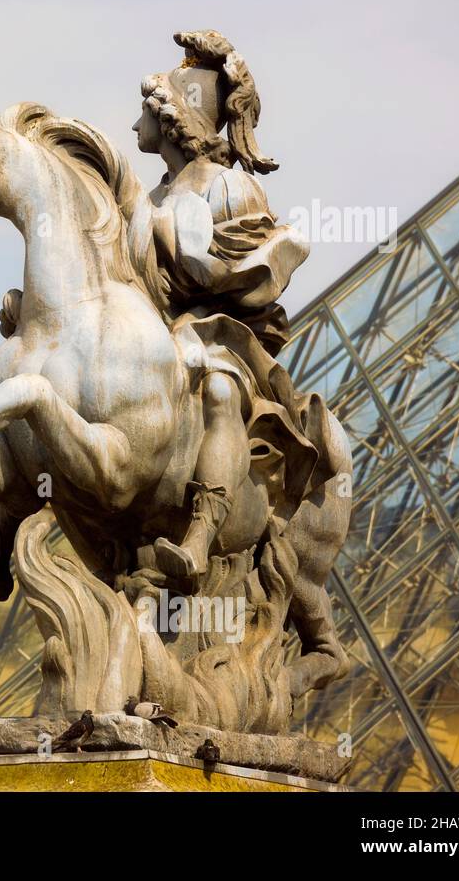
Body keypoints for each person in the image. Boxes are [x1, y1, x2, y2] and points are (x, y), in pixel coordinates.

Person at [132, 30, 317, 588]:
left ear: (172, 120)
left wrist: (198, 266)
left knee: (217, 391)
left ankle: (201, 532)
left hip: (223, 338)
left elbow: (258, 272)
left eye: (144, 112)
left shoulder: (232, 188)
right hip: (154, 334)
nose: (134, 125)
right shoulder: (144, 201)